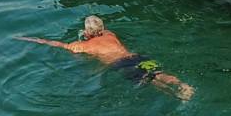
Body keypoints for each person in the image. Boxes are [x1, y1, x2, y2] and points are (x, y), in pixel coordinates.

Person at [17, 15, 193, 100]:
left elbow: (57, 44)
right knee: (158, 73)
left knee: (150, 81)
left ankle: (177, 96)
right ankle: (182, 85)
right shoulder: (110, 34)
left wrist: (32, 39)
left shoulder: (83, 46)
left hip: (121, 64)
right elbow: (100, 31)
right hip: (135, 56)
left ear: (87, 31)